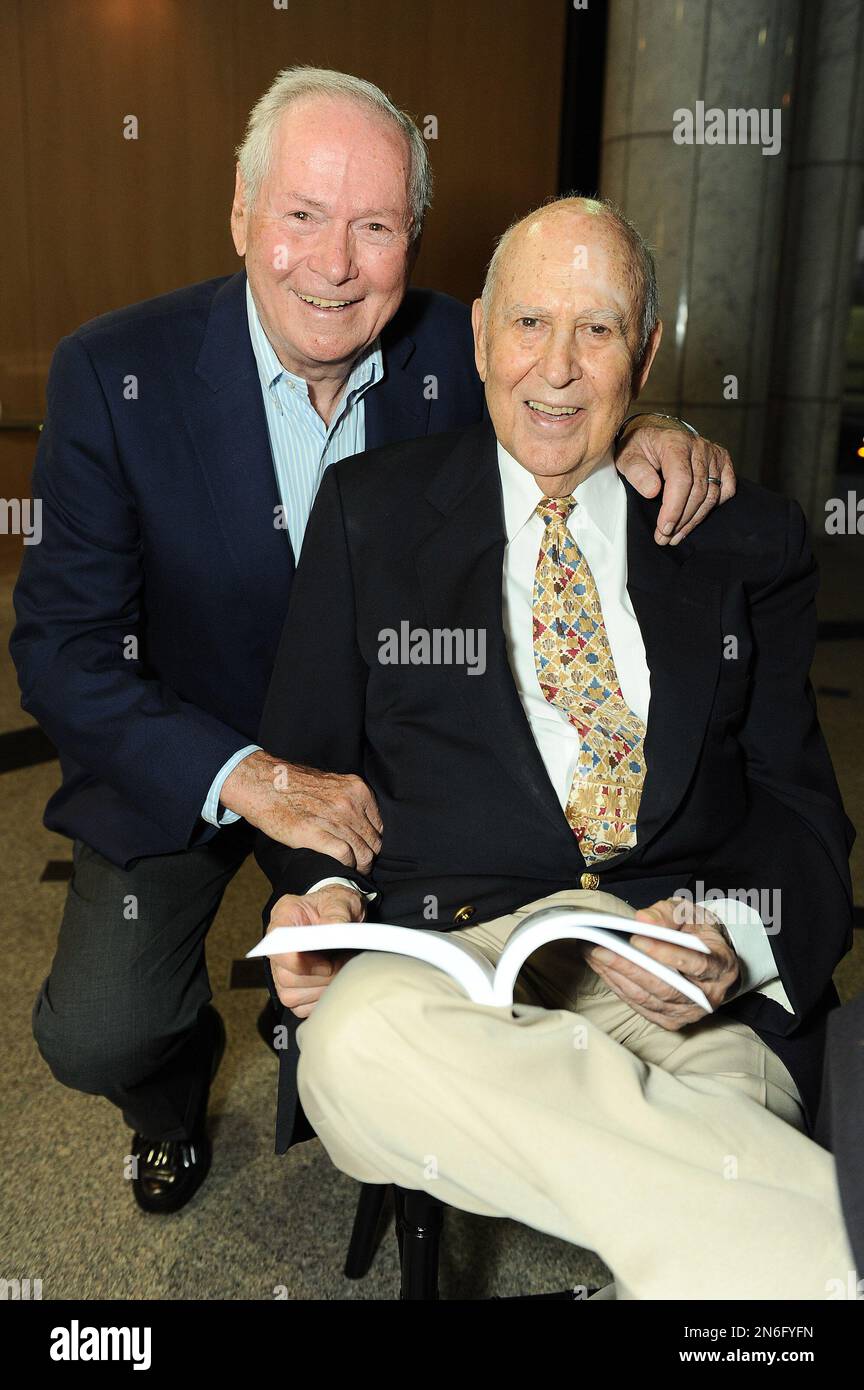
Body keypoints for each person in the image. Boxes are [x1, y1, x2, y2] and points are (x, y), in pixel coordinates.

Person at [9, 66, 732, 1216]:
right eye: (300, 215)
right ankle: (175, 1090)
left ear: (415, 239)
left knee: (389, 997)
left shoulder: (471, 346)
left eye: (376, 226)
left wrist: (653, 424)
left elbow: (570, 383)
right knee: (102, 1031)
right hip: (193, 752)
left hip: (396, 754)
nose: (335, 263)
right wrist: (250, 775)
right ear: (241, 214)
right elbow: (60, 651)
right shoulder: (114, 374)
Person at [255, 195, 857, 1299]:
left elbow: (803, 813)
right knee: (354, 1047)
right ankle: (830, 1240)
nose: (560, 370)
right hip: (445, 964)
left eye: (599, 330)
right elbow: (303, 779)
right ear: (481, 331)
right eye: (530, 324)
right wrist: (322, 893)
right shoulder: (368, 515)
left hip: (672, 973)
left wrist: (735, 941)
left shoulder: (740, 539)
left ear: (650, 350)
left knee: (735, 1189)